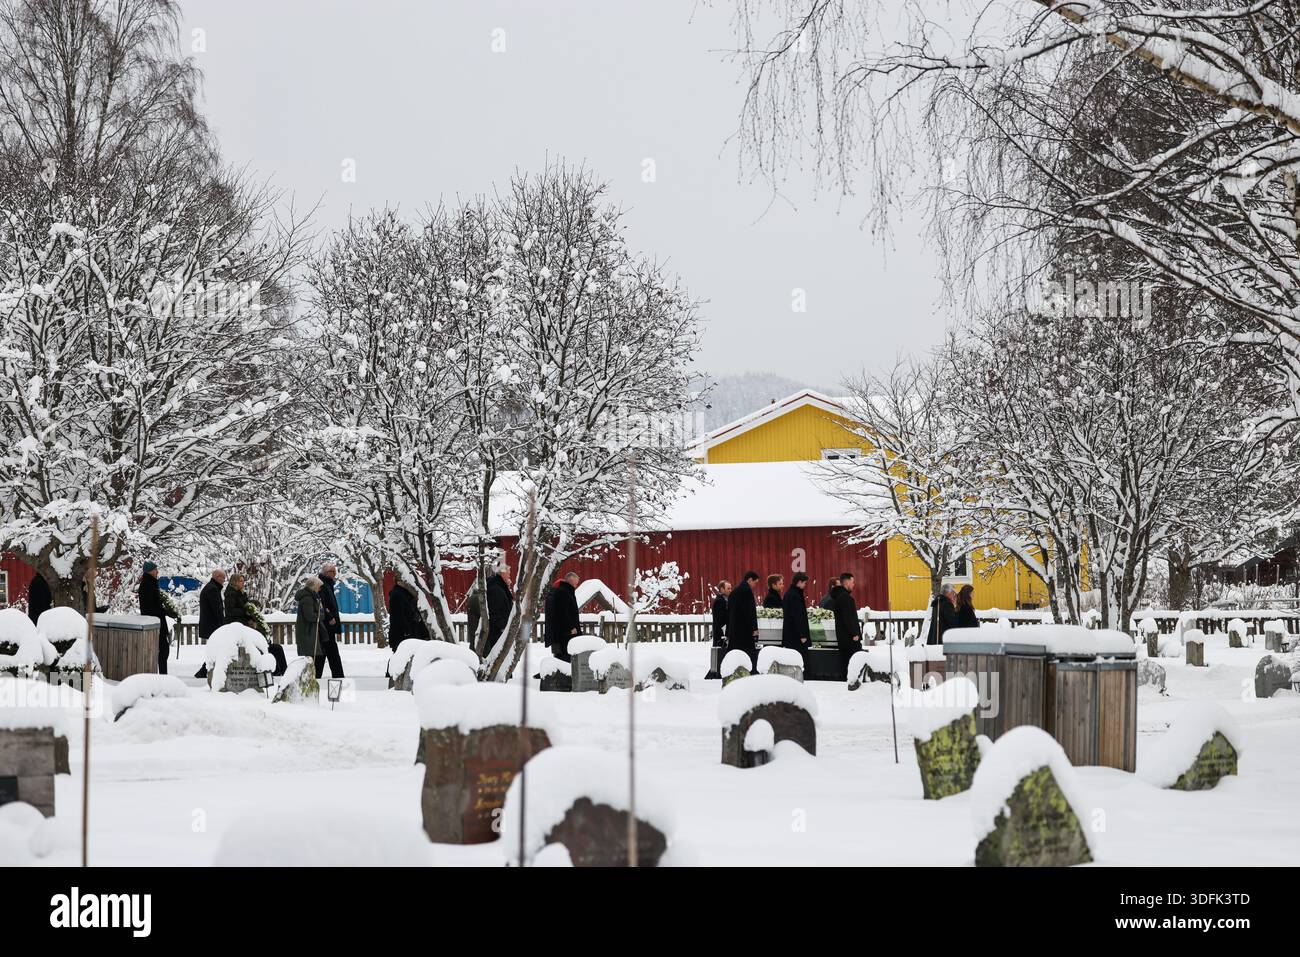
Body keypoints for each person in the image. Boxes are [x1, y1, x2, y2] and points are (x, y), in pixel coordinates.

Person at [223, 572, 287, 675]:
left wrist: (251, 615)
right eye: (240, 581)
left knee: (273, 647)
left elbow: (246, 606)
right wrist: (246, 612)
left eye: (243, 581)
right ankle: (278, 670)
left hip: (245, 624)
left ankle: (280, 670)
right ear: (234, 582)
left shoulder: (241, 593)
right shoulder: (231, 594)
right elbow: (230, 611)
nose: (243, 583)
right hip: (237, 626)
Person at [138, 562, 179, 674]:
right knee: (163, 650)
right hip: (155, 623)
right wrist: (164, 611)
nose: (157, 572)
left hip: (156, 622)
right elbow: (151, 606)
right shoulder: (148, 584)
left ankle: (162, 674)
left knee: (163, 650)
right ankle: (162, 676)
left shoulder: (150, 583)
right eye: (155, 569)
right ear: (150, 571)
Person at [315, 563, 346, 679]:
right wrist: (329, 617)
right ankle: (338, 677)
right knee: (329, 652)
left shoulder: (328, 585)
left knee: (325, 652)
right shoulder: (322, 585)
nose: (335, 574)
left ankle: (317, 676)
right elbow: (321, 604)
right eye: (332, 572)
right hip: (326, 625)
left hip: (328, 626)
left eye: (335, 572)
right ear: (326, 573)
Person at [829, 572, 862, 679]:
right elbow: (848, 618)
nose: (853, 585)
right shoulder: (845, 598)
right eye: (852, 582)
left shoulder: (838, 596)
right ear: (846, 582)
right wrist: (854, 633)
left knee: (844, 662)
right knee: (852, 663)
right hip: (849, 639)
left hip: (842, 638)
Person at [194, 568, 226, 679]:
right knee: (216, 649)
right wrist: (223, 624)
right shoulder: (213, 589)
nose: (224, 580)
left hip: (210, 625)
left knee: (216, 649)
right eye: (223, 578)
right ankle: (204, 670)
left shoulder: (210, 587)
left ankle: (205, 670)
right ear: (217, 577)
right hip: (213, 625)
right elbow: (217, 609)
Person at [543, 571, 582, 662]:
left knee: (561, 654)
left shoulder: (561, 590)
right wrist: (571, 627)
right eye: (576, 583)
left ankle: (561, 672)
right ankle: (564, 674)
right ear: (571, 581)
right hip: (566, 632)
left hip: (560, 632)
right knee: (565, 655)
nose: (576, 585)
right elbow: (563, 612)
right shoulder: (564, 592)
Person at [726, 571, 761, 669]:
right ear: (750, 580)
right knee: (748, 653)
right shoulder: (747, 591)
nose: (755, 585)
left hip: (734, 630)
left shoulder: (734, 592)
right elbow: (750, 612)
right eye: (755, 582)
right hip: (745, 630)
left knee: (735, 653)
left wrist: (728, 631)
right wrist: (754, 628)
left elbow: (729, 613)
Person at [387, 578, 430, 651]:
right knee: (403, 655)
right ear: (398, 582)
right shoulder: (397, 594)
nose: (405, 583)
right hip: (403, 633)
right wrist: (406, 631)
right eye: (402, 581)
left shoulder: (407, 593)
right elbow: (398, 616)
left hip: (410, 631)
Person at [781, 572, 811, 664]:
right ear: (799, 582)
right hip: (796, 637)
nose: (805, 585)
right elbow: (798, 616)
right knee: (800, 661)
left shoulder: (790, 593)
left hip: (791, 636)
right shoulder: (795, 596)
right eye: (804, 583)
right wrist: (802, 634)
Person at [704, 580, 731, 679]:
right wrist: (724, 630)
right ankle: (717, 671)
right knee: (719, 650)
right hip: (721, 631)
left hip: (723, 630)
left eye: (730, 588)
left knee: (721, 651)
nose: (730, 590)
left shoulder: (725, 600)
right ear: (722, 589)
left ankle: (719, 670)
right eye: (728, 588)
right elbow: (720, 618)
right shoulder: (720, 601)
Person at [295, 576, 324, 662]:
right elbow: (310, 616)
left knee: (314, 656)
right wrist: (322, 615)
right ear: (314, 587)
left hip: (310, 631)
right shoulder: (308, 598)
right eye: (319, 587)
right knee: (312, 657)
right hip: (308, 631)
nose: (319, 589)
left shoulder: (312, 597)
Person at [485, 564, 515, 650]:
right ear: (502, 573)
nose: (509, 575)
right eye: (508, 572)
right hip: (497, 633)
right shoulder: (496, 589)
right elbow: (495, 612)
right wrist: (503, 627)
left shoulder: (500, 586)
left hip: (499, 631)